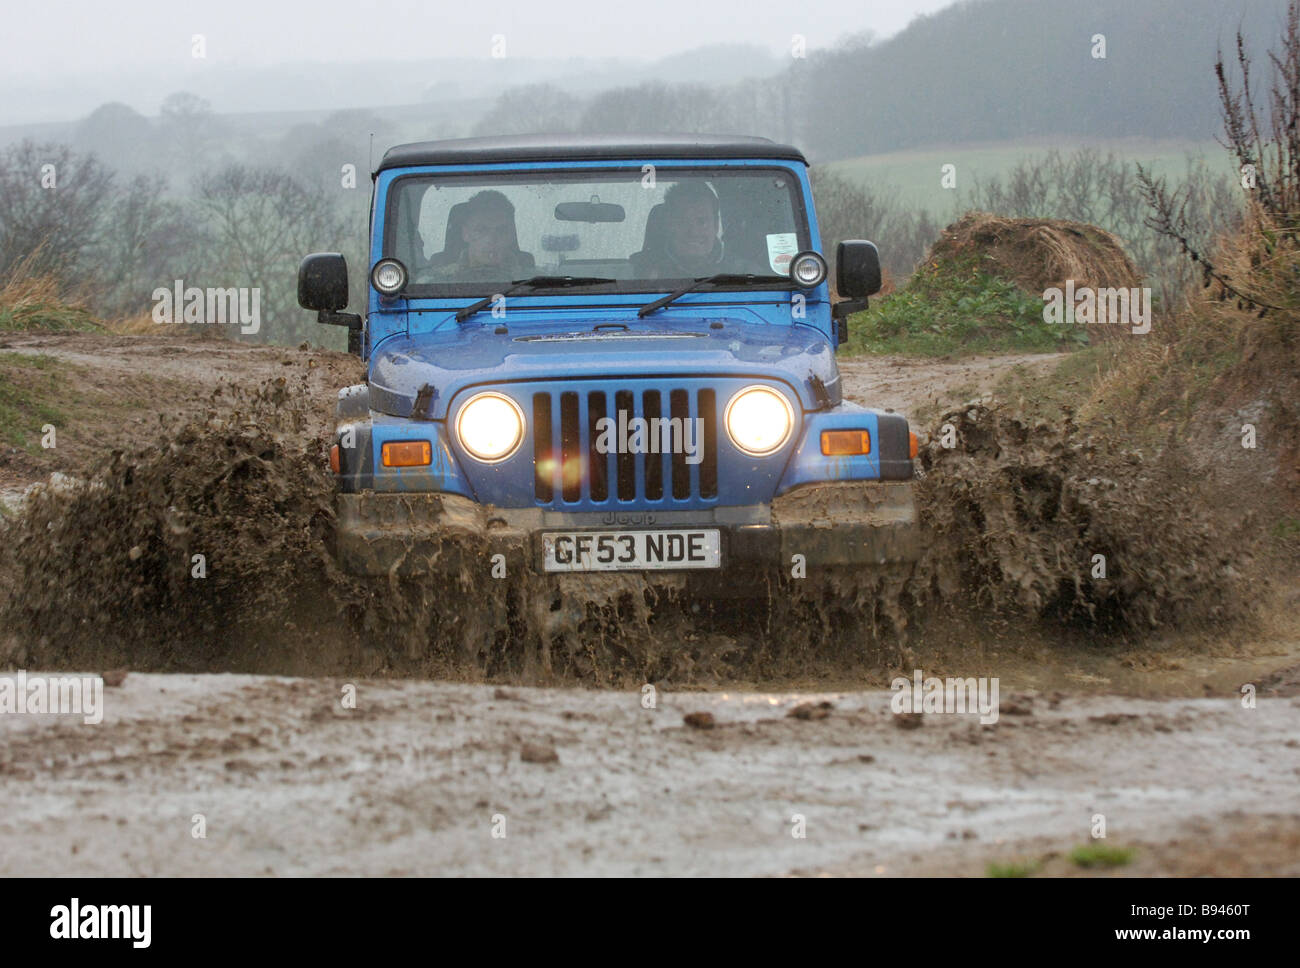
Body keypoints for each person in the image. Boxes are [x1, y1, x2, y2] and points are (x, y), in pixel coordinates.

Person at [430, 190, 532, 281]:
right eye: (481, 230)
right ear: (466, 233)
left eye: (501, 231)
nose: (492, 239)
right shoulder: (438, 282)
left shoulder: (533, 282)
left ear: (511, 235)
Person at [633, 181, 726, 279]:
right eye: (683, 222)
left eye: (702, 222)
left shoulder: (735, 272)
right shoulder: (635, 276)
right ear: (669, 225)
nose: (693, 232)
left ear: (716, 226)